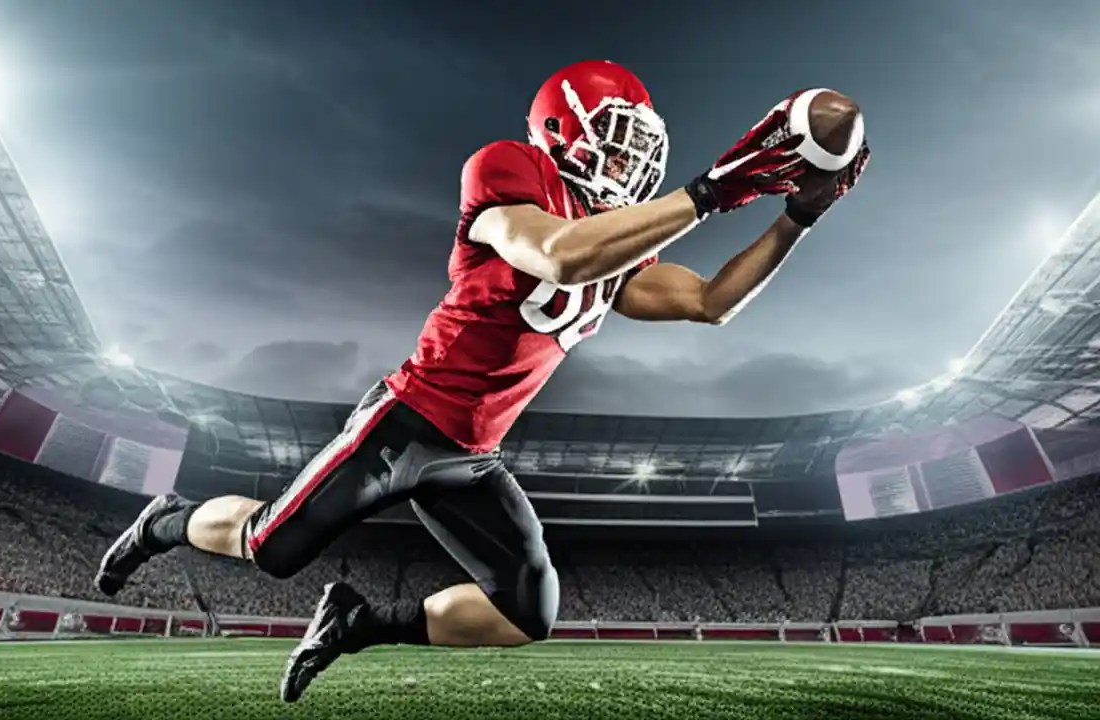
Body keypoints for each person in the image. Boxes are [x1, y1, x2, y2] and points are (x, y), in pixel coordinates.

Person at [95, 59, 870, 702]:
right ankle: (166, 519)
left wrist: (797, 217)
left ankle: (356, 625)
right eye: (616, 138)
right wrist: (709, 192)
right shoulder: (509, 169)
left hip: (472, 453)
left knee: (529, 609)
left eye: (642, 146)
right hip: (404, 423)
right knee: (271, 547)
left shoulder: (623, 242)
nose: (633, 161)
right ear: (563, 131)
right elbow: (562, 254)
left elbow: (710, 303)